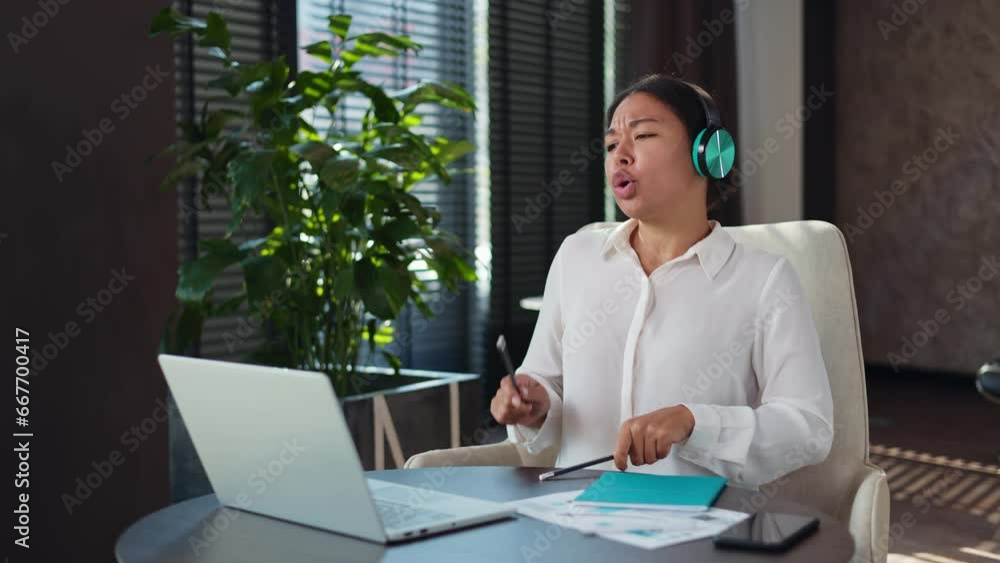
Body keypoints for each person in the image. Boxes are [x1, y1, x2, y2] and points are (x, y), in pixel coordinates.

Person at [490, 74, 834, 487]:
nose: (620, 155)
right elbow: (545, 384)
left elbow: (809, 428)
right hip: (575, 508)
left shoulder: (764, 279)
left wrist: (695, 423)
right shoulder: (576, 257)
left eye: (643, 135)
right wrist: (532, 404)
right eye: (611, 145)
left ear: (709, 154)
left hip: (698, 517)